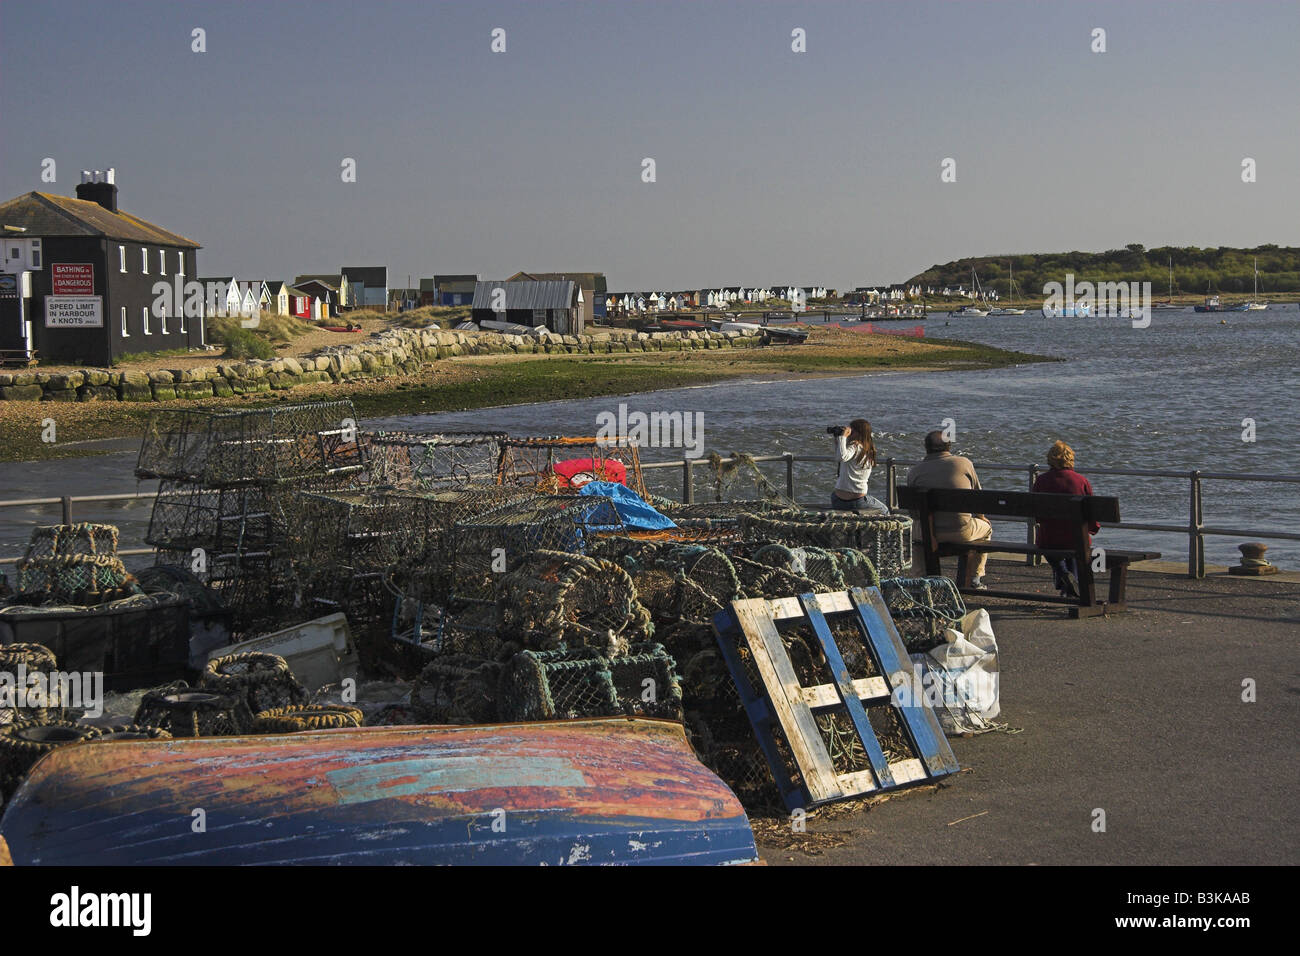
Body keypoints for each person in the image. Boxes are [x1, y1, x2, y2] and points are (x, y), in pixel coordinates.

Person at [906, 430, 993, 588]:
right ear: (948, 446)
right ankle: (974, 578)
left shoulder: (915, 471)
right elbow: (978, 498)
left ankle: (920, 580)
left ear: (926, 447)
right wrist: (980, 516)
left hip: (928, 533)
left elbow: (913, 512)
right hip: (960, 532)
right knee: (986, 529)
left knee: (916, 534)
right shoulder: (963, 463)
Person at [1031, 440, 1099, 598]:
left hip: (1049, 539)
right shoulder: (1081, 481)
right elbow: (1091, 514)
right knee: (1077, 545)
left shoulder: (1041, 481)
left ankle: (1063, 575)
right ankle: (1069, 585)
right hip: (1077, 539)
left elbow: (1036, 514)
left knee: (1051, 544)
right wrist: (1092, 528)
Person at [830, 419, 888, 513]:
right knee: (885, 510)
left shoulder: (854, 447)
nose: (849, 432)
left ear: (858, 432)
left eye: (852, 430)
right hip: (856, 501)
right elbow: (841, 457)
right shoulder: (858, 447)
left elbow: (840, 456)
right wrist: (841, 437)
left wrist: (840, 439)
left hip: (837, 499)